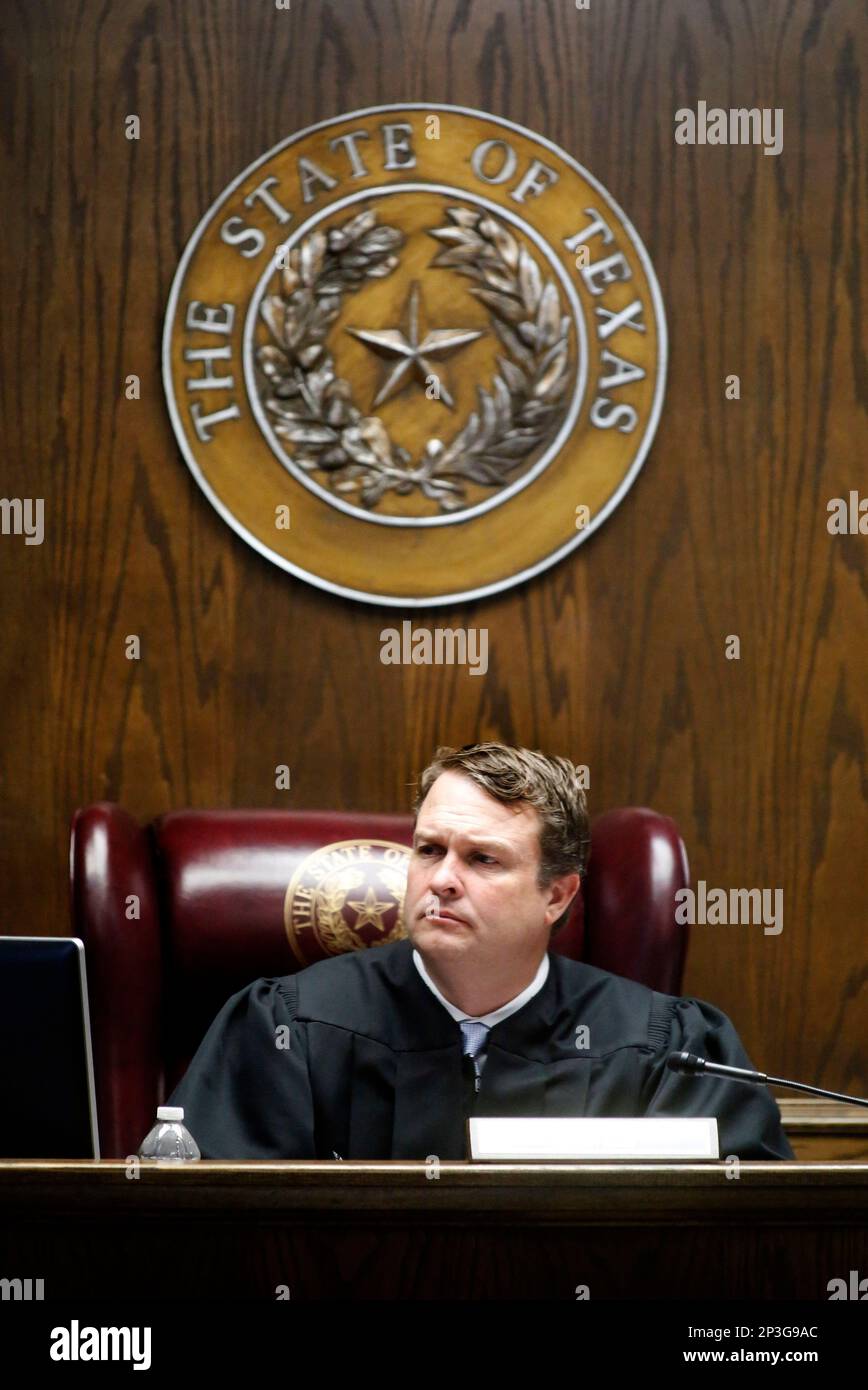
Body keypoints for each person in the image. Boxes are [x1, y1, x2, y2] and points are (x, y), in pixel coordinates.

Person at [165, 743, 794, 1160]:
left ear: (557, 895)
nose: (441, 879)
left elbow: (733, 1253)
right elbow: (209, 1242)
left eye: (483, 859)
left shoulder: (662, 1050)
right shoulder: (288, 1031)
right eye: (430, 849)